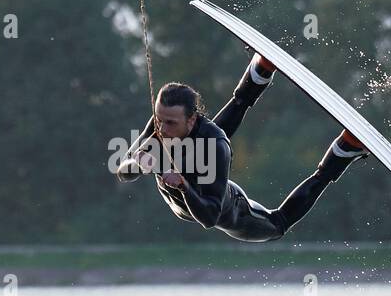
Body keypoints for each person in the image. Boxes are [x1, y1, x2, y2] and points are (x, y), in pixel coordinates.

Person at [114, 52, 369, 242]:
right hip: (185, 194)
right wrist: (137, 164)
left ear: (191, 119)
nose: (163, 128)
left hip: (230, 209)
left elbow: (209, 218)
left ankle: (343, 151)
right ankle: (260, 71)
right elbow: (122, 172)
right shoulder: (160, 126)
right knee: (204, 141)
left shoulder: (216, 145)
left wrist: (182, 185)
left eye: (170, 122)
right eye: (159, 120)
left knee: (278, 225)